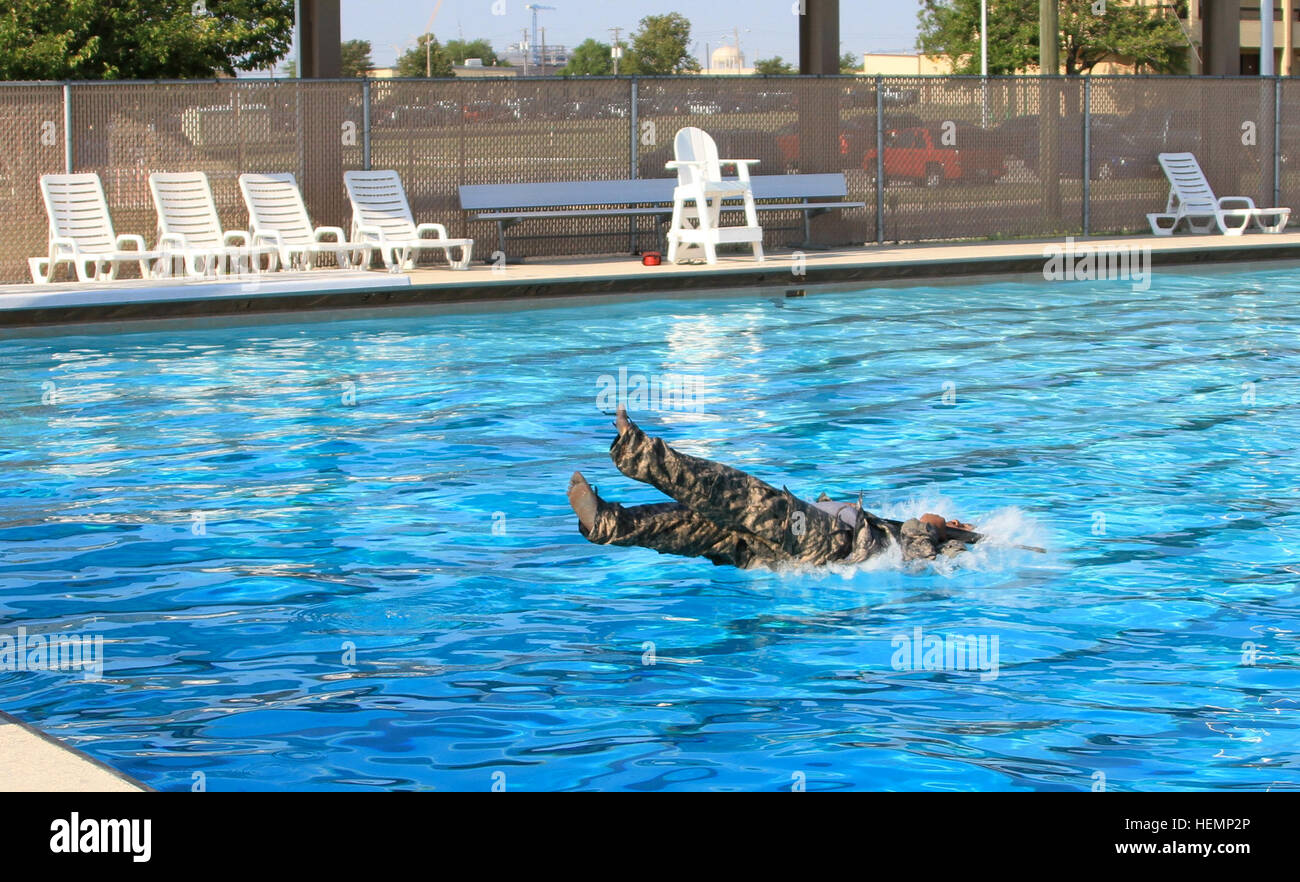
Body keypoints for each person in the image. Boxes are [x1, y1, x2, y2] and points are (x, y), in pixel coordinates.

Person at [567, 407, 975, 570]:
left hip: (827, 541)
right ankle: (607, 523)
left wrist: (932, 526)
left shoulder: (931, 544)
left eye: (959, 523)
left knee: (736, 494)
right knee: (693, 527)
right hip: (790, 554)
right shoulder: (903, 533)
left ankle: (638, 452)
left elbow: (919, 558)